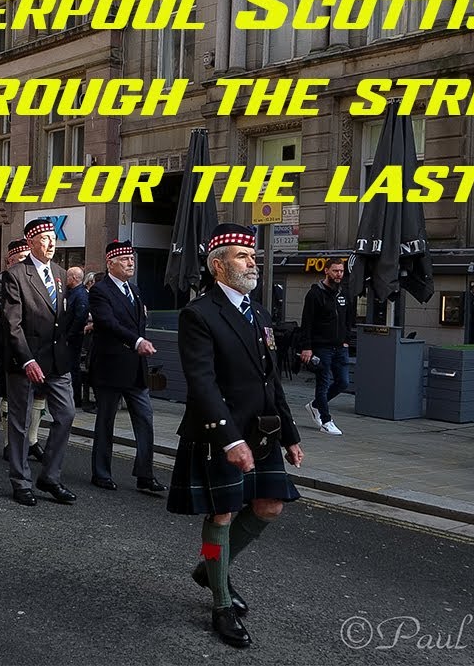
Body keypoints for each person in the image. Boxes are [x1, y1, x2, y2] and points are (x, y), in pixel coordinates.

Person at [167, 223, 304, 650]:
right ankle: (221, 604)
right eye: (242, 257)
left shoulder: (258, 313)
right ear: (218, 265)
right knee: (221, 515)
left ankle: (211, 569)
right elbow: (202, 382)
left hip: (262, 431)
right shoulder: (199, 314)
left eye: (253, 257)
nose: (252, 263)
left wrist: (290, 435)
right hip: (219, 433)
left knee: (270, 505)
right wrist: (230, 440)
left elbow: (271, 380)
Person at [1, 218, 78, 506]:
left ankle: (50, 476)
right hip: (26, 360)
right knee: (20, 423)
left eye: (53, 238)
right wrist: (27, 360)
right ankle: (21, 481)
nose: (51, 243)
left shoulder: (60, 273)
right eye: (44, 238)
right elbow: (12, 324)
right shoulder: (16, 274)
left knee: (66, 414)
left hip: (56, 360)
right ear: (30, 242)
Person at [88, 240, 163, 493]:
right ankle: (101, 473)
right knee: (106, 422)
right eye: (124, 260)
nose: (131, 263)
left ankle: (145, 474)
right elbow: (108, 323)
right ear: (110, 264)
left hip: (136, 368)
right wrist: (138, 341)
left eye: (132, 259)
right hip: (110, 367)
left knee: (145, 419)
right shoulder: (100, 291)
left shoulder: (135, 290)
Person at [0, 240, 46, 460]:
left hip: (37, 344)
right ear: (9, 261)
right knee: (9, 393)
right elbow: (7, 311)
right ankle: (9, 443)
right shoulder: (1, 279)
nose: (25, 262)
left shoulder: (40, 278)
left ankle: (33, 441)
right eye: (20, 258)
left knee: (39, 393)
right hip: (8, 343)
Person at [297, 258, 353, 436]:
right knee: (323, 382)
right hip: (322, 347)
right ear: (326, 271)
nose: (339, 274)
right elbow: (307, 322)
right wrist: (307, 347)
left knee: (343, 382)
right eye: (335, 271)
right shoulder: (315, 294)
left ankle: (315, 405)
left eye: (341, 271)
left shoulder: (344, 293)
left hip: (340, 347)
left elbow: (348, 319)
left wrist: (346, 339)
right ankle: (326, 420)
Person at [64, 266, 89, 409]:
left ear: (73, 278)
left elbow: (80, 317)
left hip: (74, 339)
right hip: (69, 336)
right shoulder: (71, 293)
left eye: (67, 276)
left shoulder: (80, 294)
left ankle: (75, 398)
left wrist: (70, 335)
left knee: (73, 367)